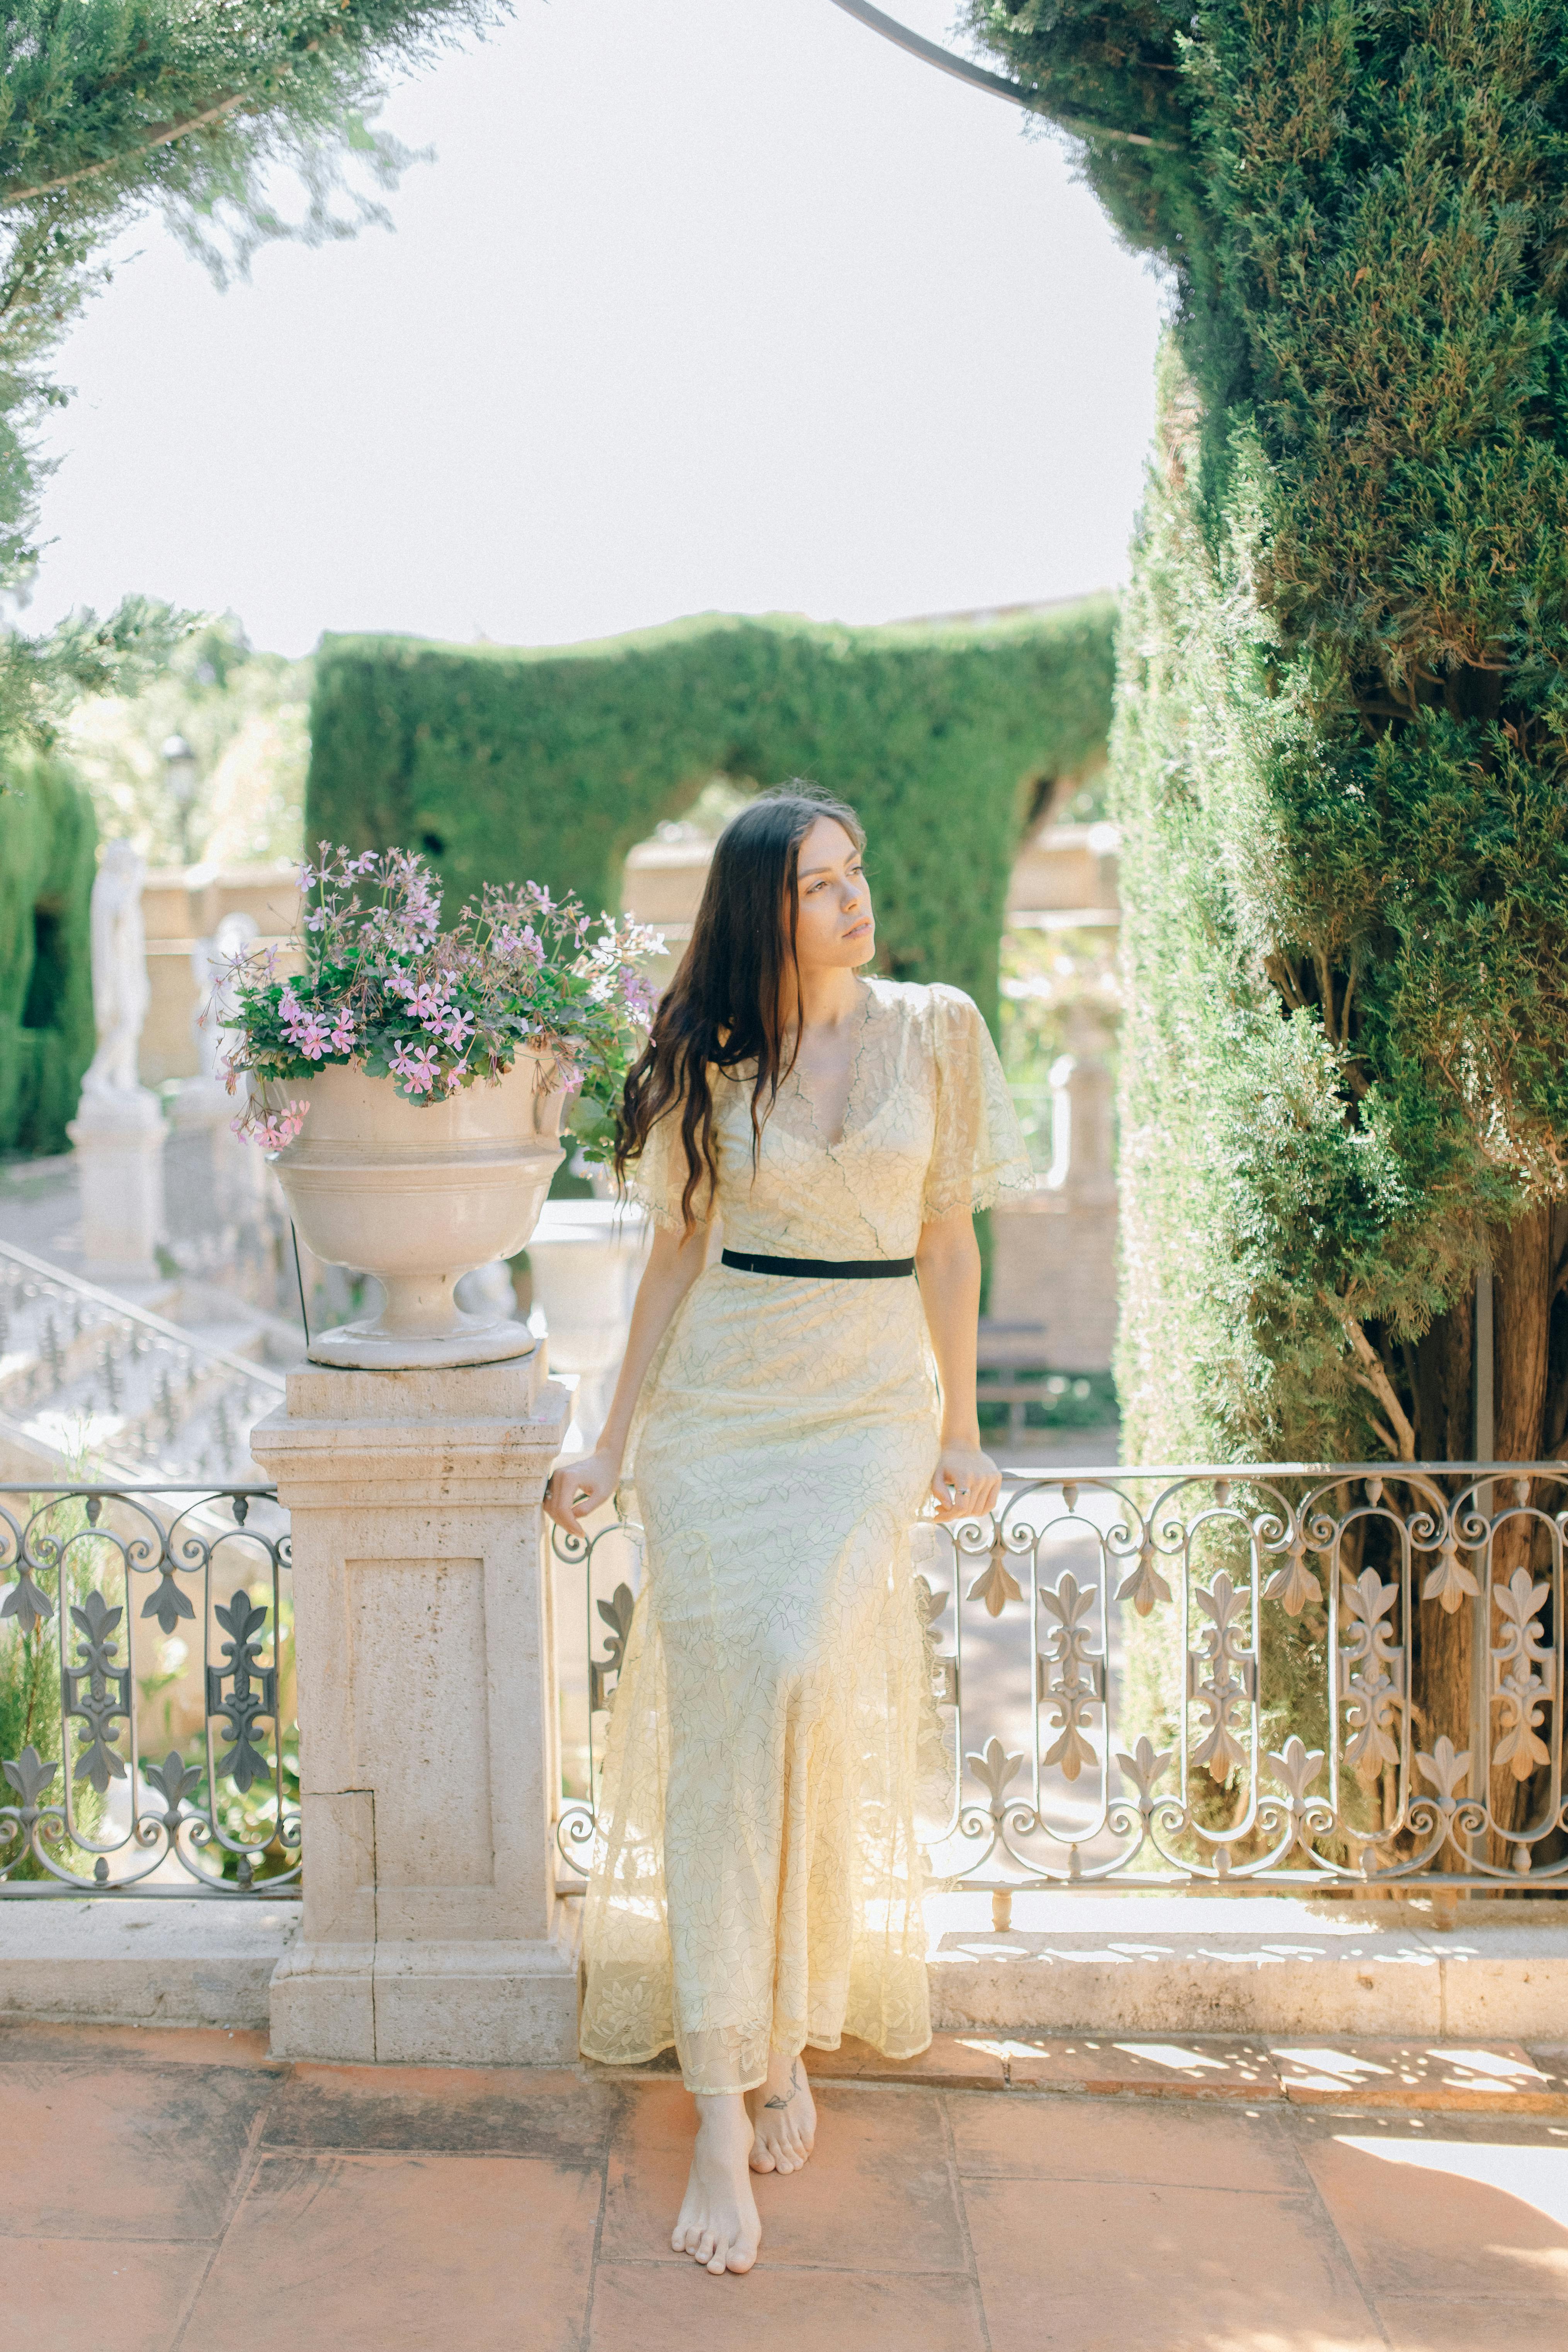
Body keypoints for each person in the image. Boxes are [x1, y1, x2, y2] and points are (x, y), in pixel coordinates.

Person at [544, 785, 1031, 2276]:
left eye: (856, 874)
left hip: (866, 1403)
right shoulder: (707, 1056)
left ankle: (788, 2021)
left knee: (796, 1666)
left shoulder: (936, 1029)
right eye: (821, 886)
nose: (854, 900)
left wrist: (959, 1427)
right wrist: (612, 1438)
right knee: (735, 1712)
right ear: (766, 909)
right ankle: (720, 2089)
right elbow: (674, 1257)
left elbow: (948, 1246)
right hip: (719, 1411)